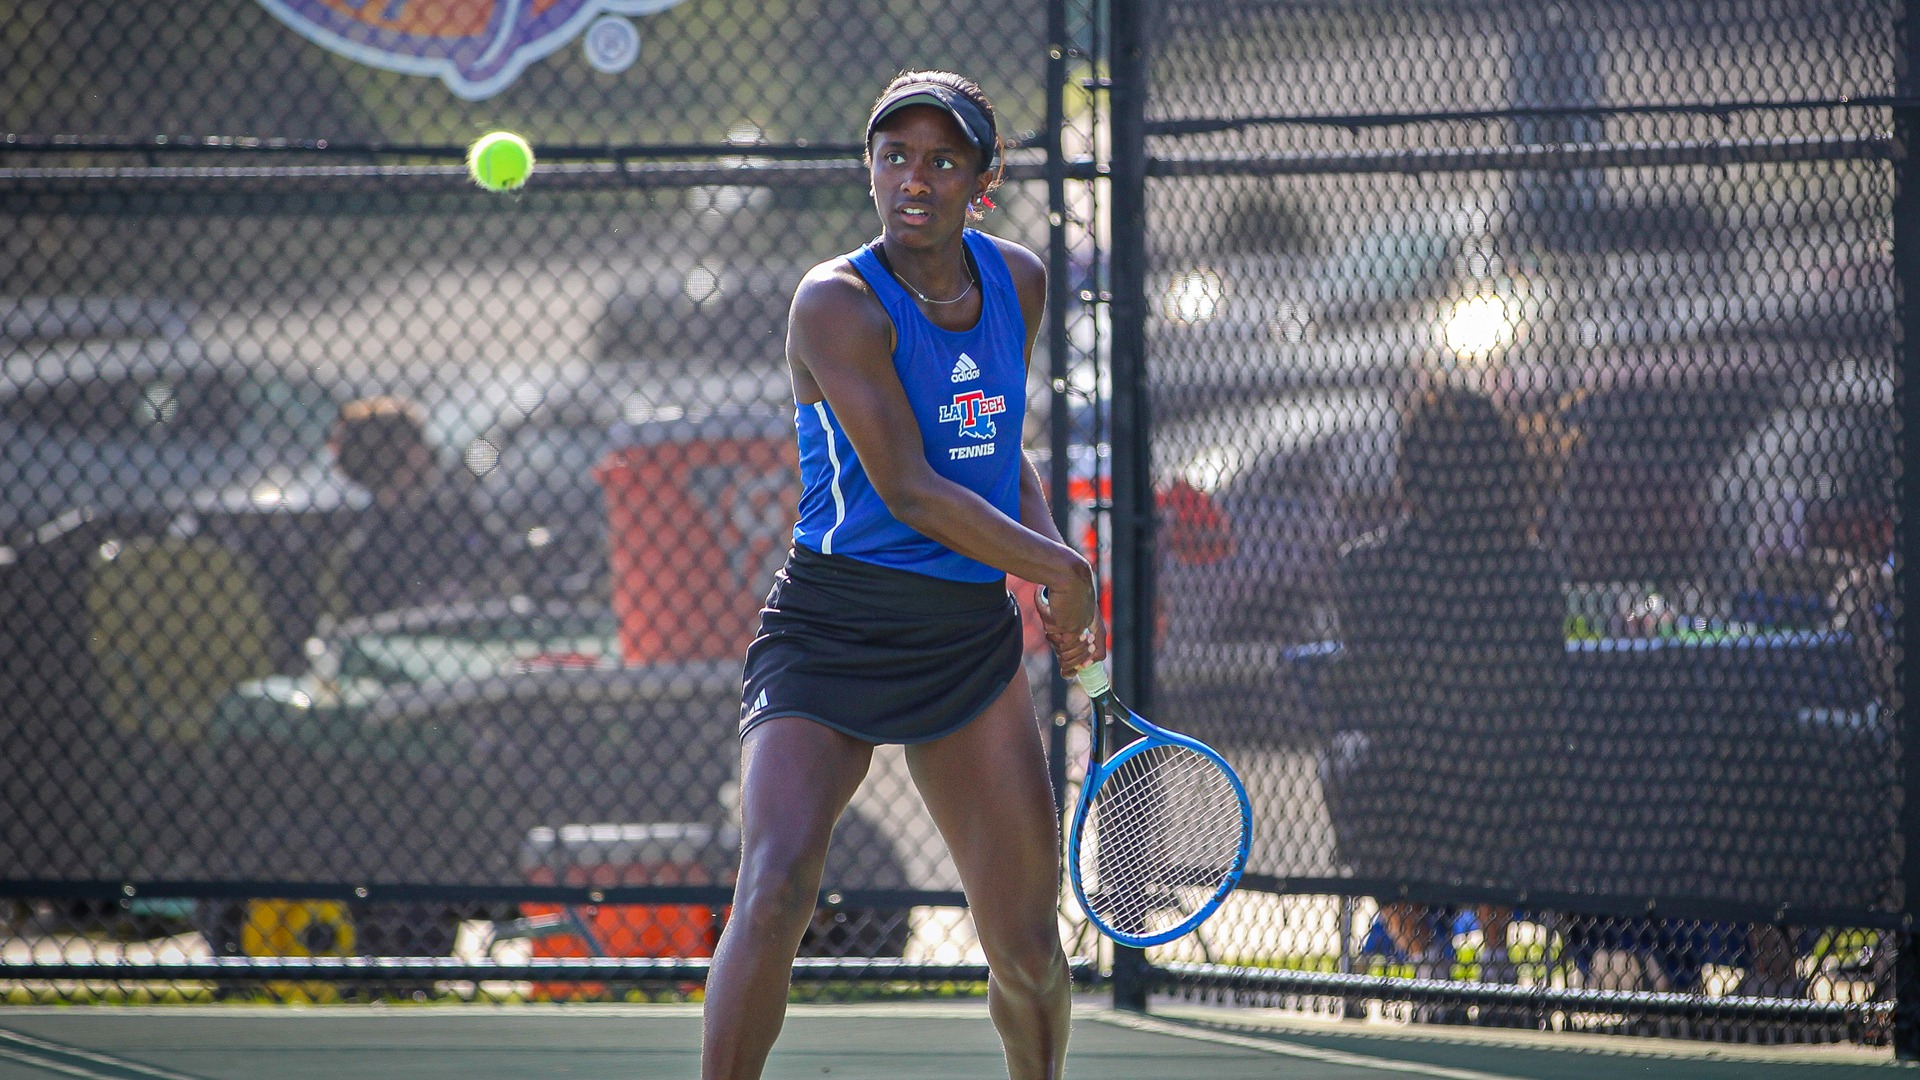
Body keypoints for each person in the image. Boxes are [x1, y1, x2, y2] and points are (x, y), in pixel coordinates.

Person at [700, 72, 1103, 1080]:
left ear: (985, 179)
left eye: (942, 159)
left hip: (963, 641)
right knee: (778, 884)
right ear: (868, 168)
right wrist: (1059, 567)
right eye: (894, 155)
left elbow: (997, 451)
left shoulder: (1018, 281)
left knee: (1024, 947)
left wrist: (1048, 564)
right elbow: (915, 489)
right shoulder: (835, 301)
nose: (913, 177)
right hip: (828, 632)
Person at [1325, 387, 1563, 988]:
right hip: (1512, 788)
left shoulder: (1368, 569)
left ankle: (1427, 956)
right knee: (1509, 768)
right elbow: (1548, 692)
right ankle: (1495, 950)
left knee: (1352, 771)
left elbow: (1362, 693)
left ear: (1412, 471)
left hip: (1405, 789)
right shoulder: (1531, 569)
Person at [326, 395, 509, 618]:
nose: (425, 451)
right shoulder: (365, 544)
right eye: (412, 442)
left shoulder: (457, 510)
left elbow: (499, 573)